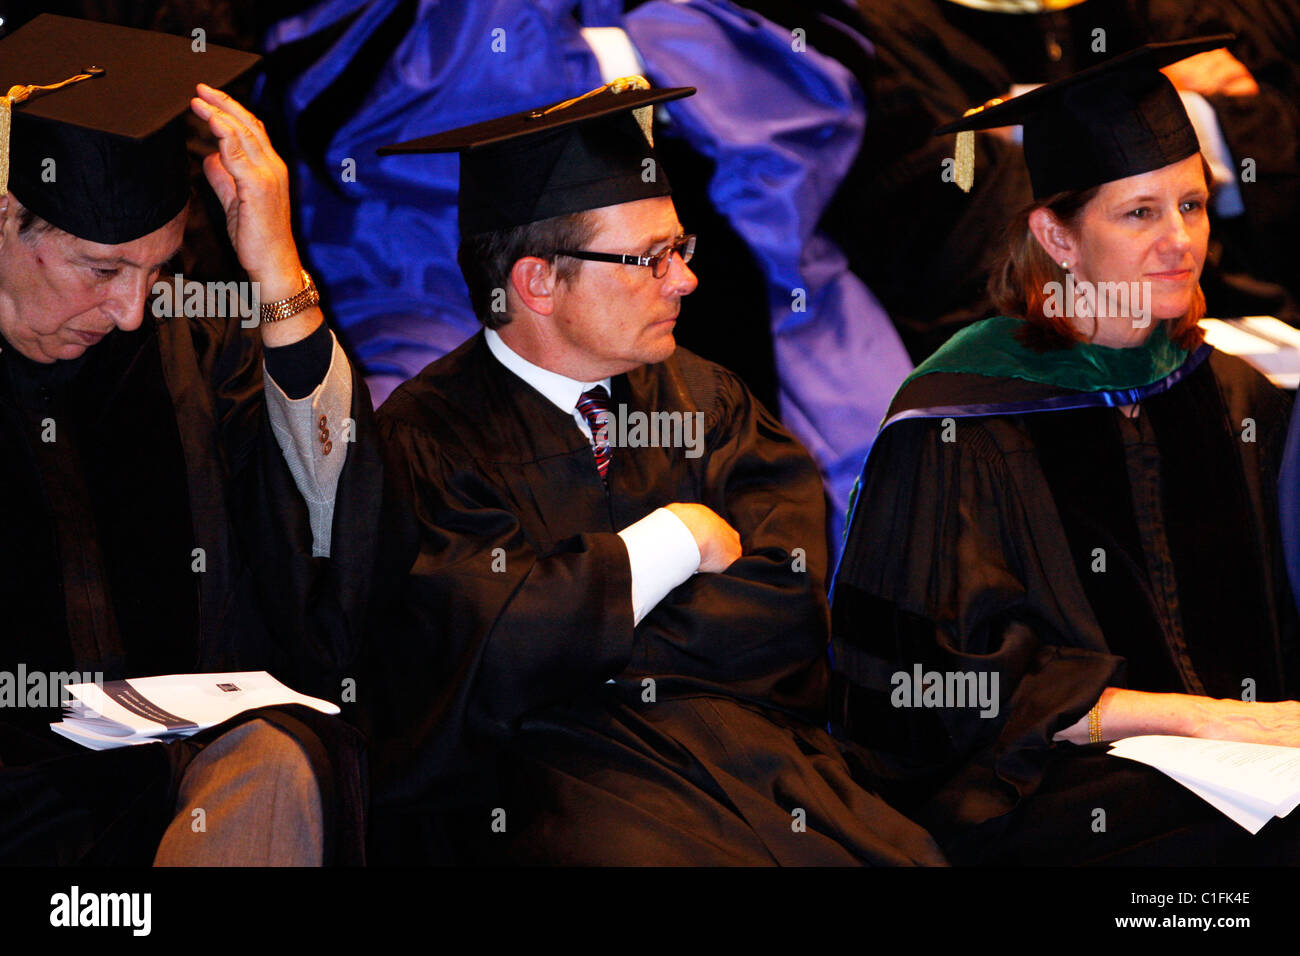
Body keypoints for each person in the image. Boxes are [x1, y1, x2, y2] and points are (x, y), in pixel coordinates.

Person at [367, 80, 946, 865]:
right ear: (537, 281)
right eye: (650, 258)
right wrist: (671, 541)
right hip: (552, 796)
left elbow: (786, 606)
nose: (686, 280)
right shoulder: (427, 438)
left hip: (753, 762)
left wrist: (581, 640)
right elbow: (478, 658)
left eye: (681, 248)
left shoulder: (709, 400)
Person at [831, 37, 1300, 865]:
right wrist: (1200, 716)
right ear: (1056, 235)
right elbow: (923, 696)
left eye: (1191, 205)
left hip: (1251, 761)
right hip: (1040, 788)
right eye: (1139, 212)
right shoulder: (958, 422)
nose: (1179, 241)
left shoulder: (1229, 393)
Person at [0, 15, 386, 864]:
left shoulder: (181, 349)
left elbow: (328, 516)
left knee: (282, 763)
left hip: (183, 776)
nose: (132, 310)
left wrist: (279, 275)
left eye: (159, 269)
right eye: (102, 270)